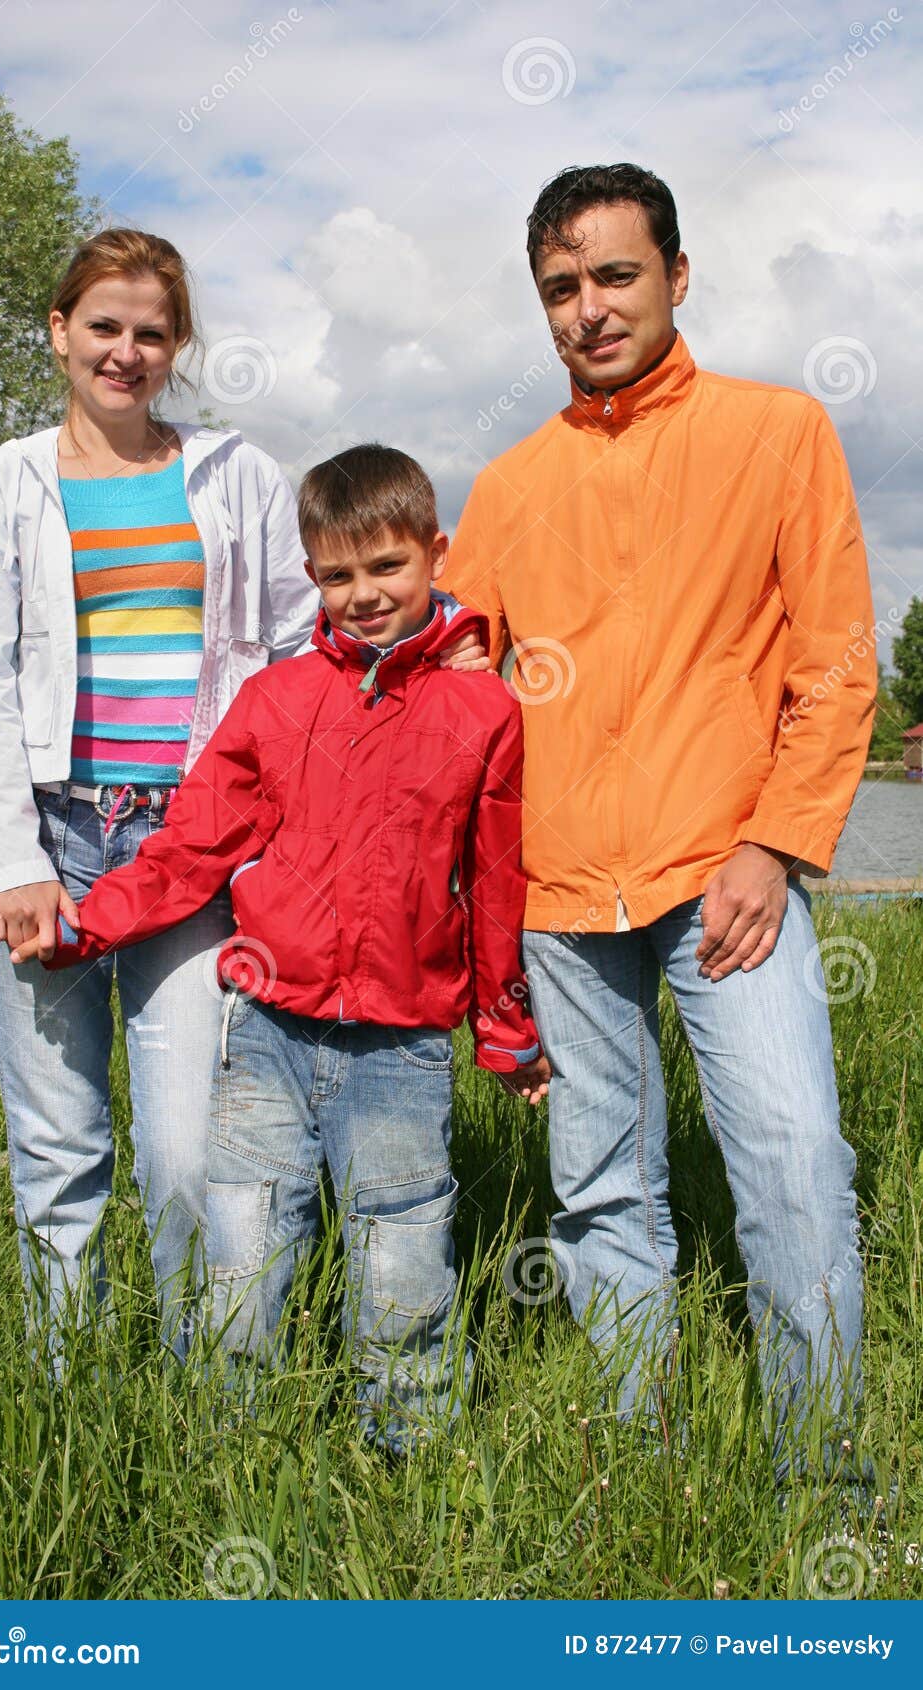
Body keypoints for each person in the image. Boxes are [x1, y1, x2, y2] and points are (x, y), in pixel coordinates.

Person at [0, 230, 488, 1369]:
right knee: (57, 1143)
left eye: (151, 332)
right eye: (103, 325)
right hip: (48, 836)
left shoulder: (232, 473)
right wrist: (13, 863)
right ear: (59, 330)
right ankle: (71, 1377)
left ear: (177, 344)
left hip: (190, 842)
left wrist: (440, 650)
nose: (125, 351)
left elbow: (313, 634)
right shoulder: (3, 481)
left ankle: (202, 1387)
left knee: (190, 1149)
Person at [441, 164, 876, 1476]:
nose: (586, 308)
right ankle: (643, 1458)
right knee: (597, 1188)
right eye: (558, 288)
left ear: (676, 276)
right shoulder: (506, 486)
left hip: (724, 877)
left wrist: (774, 842)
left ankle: (822, 1470)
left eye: (614, 275)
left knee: (791, 1157)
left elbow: (833, 661)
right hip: (559, 894)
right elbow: (454, 703)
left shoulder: (778, 431)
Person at [12, 443, 551, 1451]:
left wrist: (505, 1029)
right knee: (244, 1253)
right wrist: (87, 924)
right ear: (310, 576)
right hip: (265, 1030)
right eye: (338, 575)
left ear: (435, 554)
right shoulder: (273, 701)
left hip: (400, 1043)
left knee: (402, 1256)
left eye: (387, 566)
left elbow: (494, 884)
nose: (364, 594)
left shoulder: (484, 710)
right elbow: (192, 847)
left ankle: (412, 1456)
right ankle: (229, 1447)